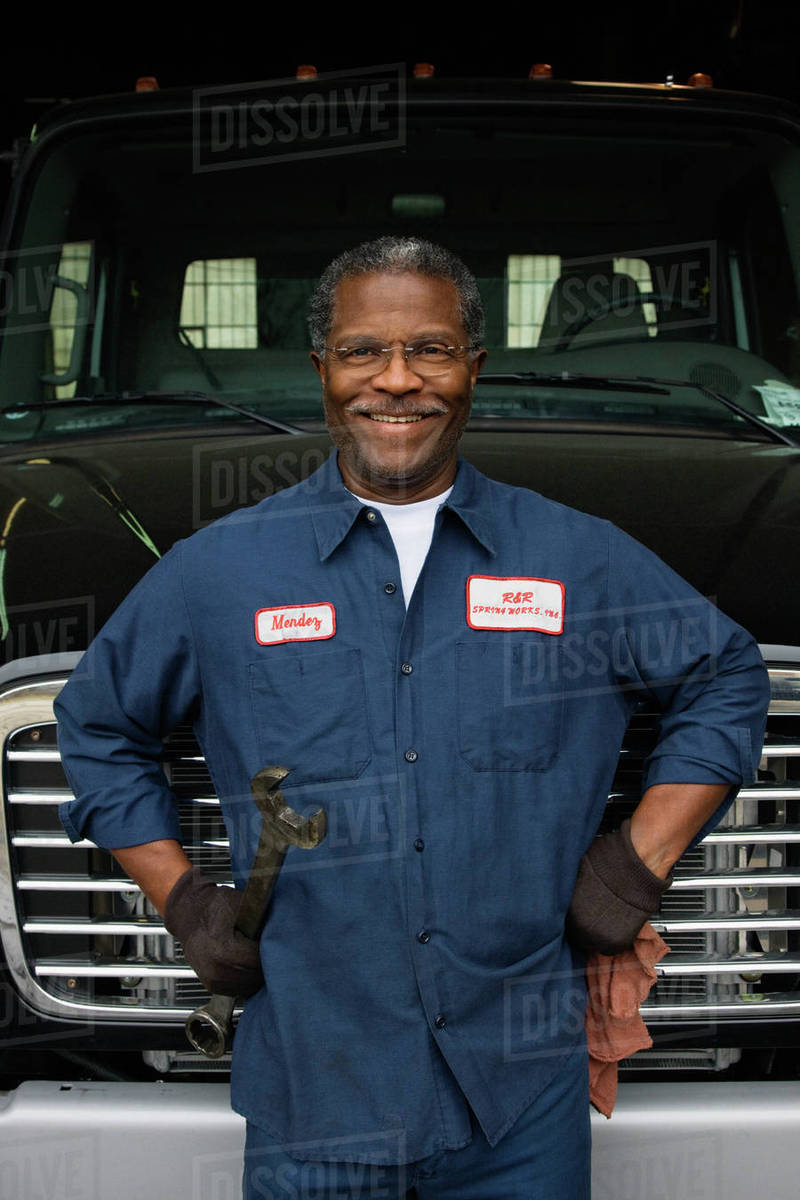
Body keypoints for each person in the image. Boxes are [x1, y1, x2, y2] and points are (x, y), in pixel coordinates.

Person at [55, 236, 770, 1199]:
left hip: (518, 1100)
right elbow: (98, 726)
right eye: (363, 351)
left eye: (430, 349)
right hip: (314, 1093)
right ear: (323, 368)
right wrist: (182, 899)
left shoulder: (580, 559)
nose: (397, 381)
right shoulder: (218, 572)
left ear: (474, 366)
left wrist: (636, 863)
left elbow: (726, 672)